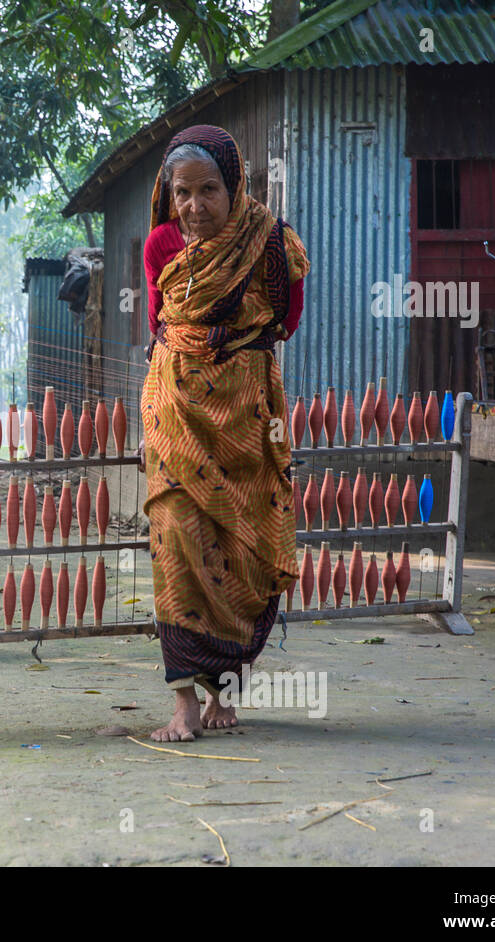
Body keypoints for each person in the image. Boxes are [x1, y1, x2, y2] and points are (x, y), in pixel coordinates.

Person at [140, 125, 309, 739]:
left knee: (243, 549)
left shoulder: (270, 245)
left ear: (234, 185)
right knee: (176, 537)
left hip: (246, 420)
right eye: (182, 192)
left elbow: (283, 324)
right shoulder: (161, 244)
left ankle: (225, 694)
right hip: (175, 414)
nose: (194, 206)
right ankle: (183, 702)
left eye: (208, 189)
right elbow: (158, 325)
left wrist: (229, 355)